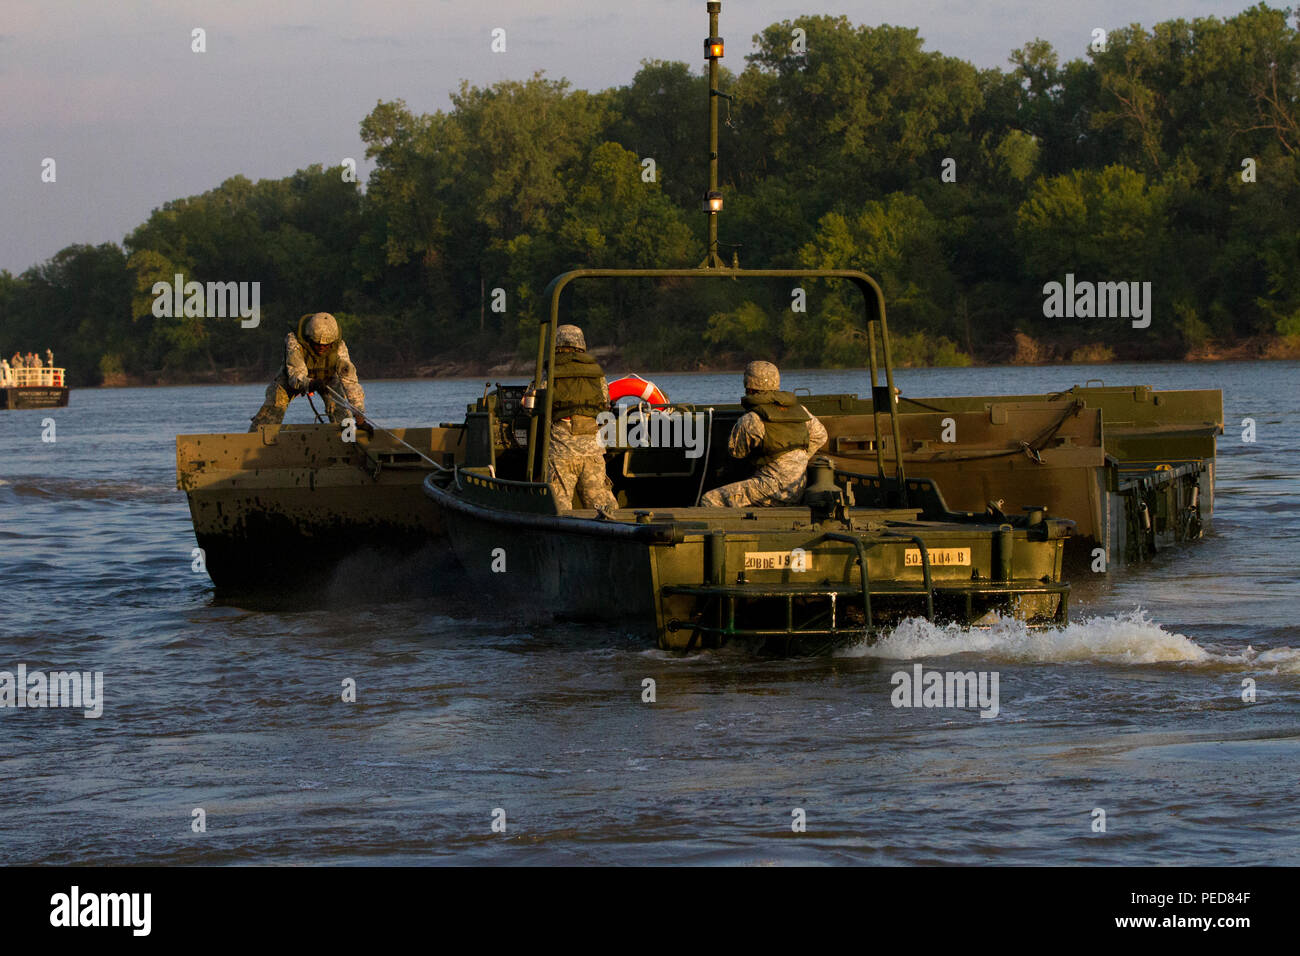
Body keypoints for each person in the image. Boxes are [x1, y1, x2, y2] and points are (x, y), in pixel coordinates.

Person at [700, 360, 828, 507]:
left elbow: (736, 453)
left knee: (710, 500)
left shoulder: (752, 419)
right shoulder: (801, 411)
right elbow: (821, 435)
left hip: (770, 489)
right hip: (797, 486)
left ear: (748, 385)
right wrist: (800, 458)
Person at [542, 324, 618, 512]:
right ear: (581, 344)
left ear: (556, 343)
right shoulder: (596, 372)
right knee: (601, 506)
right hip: (593, 447)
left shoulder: (551, 370)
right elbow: (606, 401)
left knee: (559, 505)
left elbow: (537, 402)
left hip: (562, 447)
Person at [249, 312, 367, 430]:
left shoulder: (339, 347)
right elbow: (295, 375)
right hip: (292, 379)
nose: (322, 348)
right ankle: (254, 439)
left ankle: (349, 442)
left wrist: (360, 417)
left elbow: (351, 383)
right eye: (317, 344)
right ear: (309, 338)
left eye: (326, 345)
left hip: (327, 379)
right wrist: (311, 383)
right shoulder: (294, 342)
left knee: (341, 412)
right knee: (273, 407)